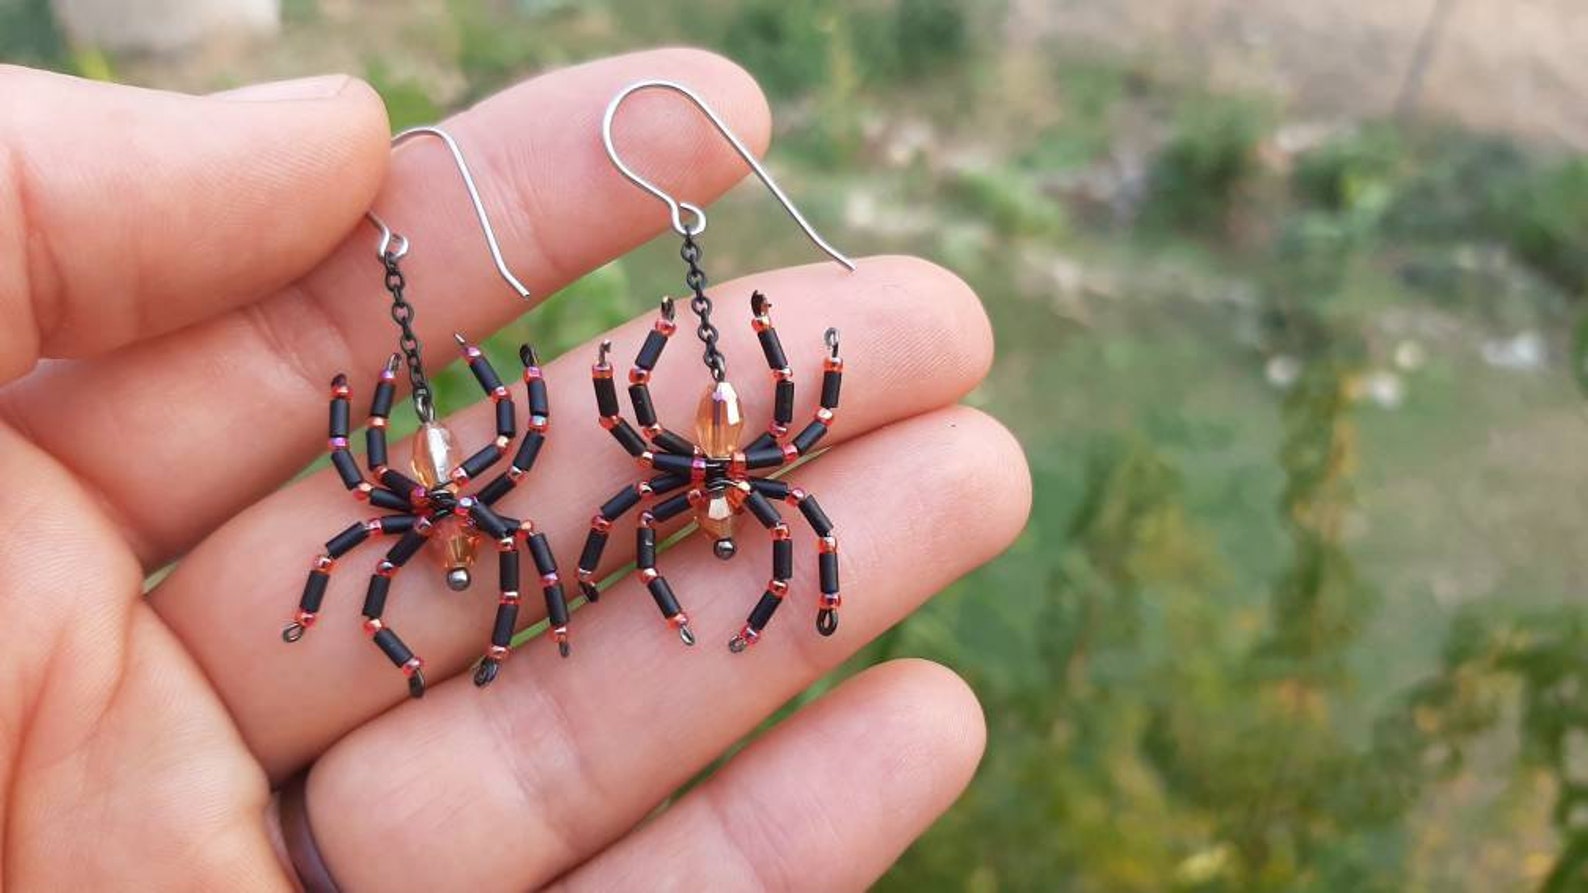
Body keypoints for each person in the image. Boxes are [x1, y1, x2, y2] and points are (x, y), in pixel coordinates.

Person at [0, 48, 1029, 891]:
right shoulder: (428, 505)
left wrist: (590, 373)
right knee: (423, 563)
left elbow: (584, 441)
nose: (453, 530)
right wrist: (496, 397)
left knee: (786, 516)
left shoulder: (716, 476)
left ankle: (713, 604)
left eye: (454, 531)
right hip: (480, 461)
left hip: (646, 434)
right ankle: (564, 624)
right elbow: (533, 443)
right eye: (451, 531)